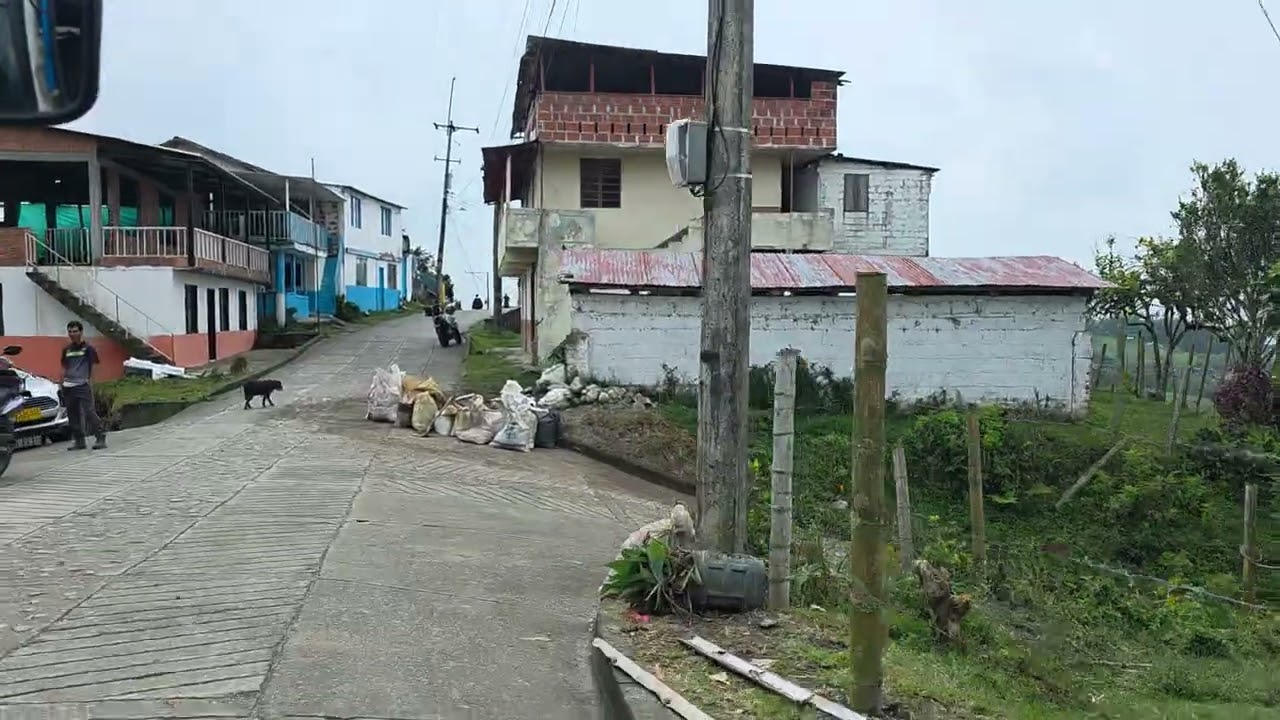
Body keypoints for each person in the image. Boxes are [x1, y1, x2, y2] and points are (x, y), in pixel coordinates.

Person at [60, 321, 106, 450]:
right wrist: (61, 382)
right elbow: (64, 367)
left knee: (89, 412)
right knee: (72, 414)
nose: (72, 334)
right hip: (68, 385)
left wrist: (91, 382)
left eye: (75, 331)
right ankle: (79, 441)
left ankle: (100, 438)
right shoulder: (66, 350)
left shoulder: (88, 349)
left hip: (82, 384)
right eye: (70, 331)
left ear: (81, 332)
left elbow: (94, 367)